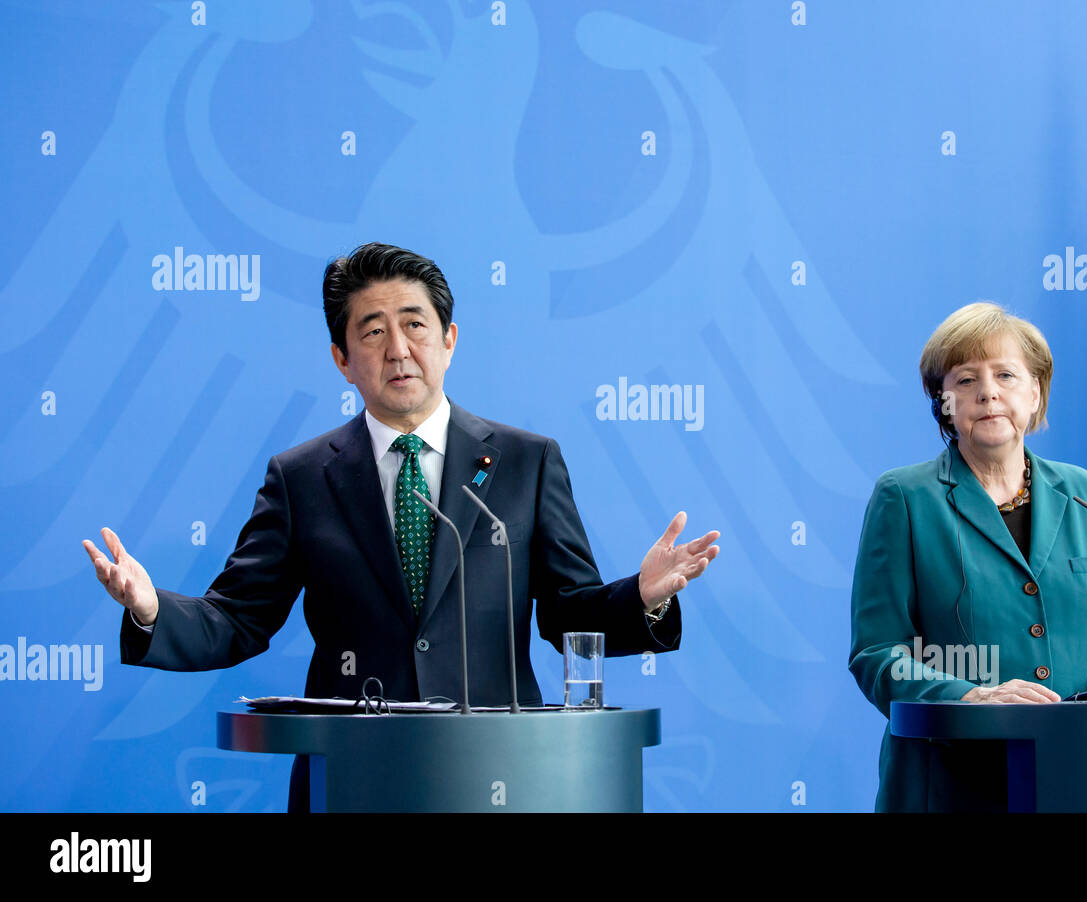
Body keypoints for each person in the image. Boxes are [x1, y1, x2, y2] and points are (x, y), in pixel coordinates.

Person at [83, 243, 720, 810]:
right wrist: (149, 610)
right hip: (354, 779)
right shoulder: (302, 477)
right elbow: (238, 619)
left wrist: (644, 597)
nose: (398, 348)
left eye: (415, 324)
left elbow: (568, 612)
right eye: (373, 332)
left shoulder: (526, 462)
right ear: (341, 358)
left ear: (448, 339)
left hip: (502, 775)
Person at [848, 301, 1087, 812]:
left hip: (1080, 778)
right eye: (966, 380)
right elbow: (878, 655)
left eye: (1006, 375)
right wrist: (969, 698)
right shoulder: (905, 498)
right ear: (944, 402)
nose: (988, 391)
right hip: (951, 784)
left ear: (1034, 393)